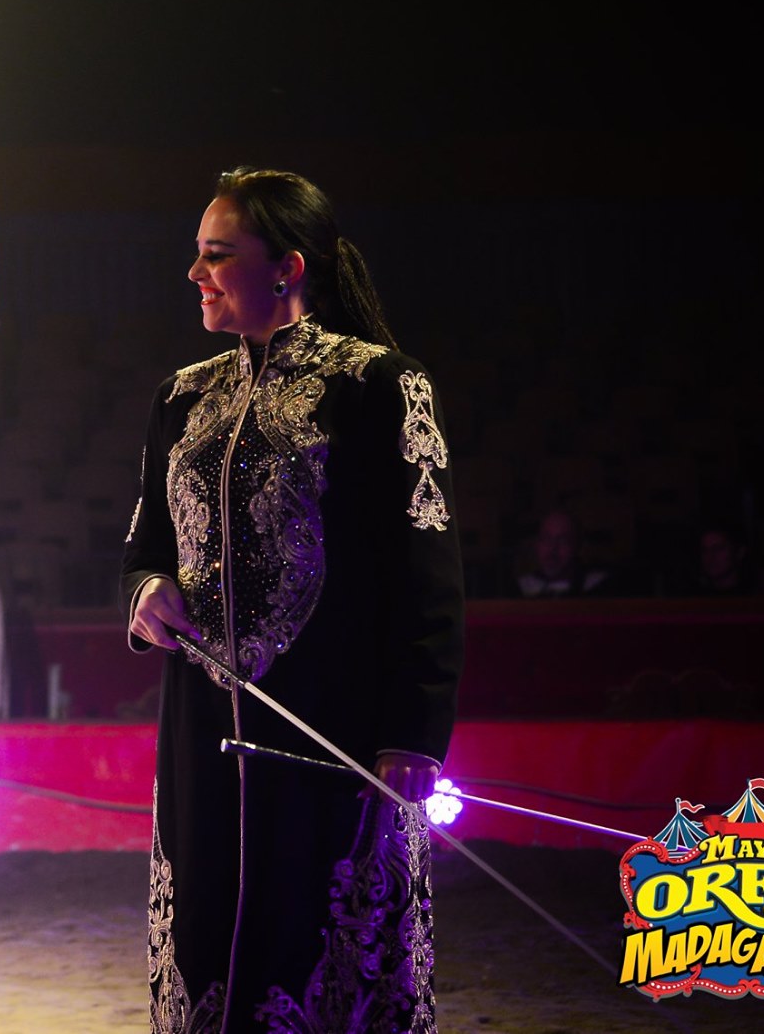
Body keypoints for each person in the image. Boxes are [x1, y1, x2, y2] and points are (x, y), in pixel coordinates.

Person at [122, 168, 464, 1033]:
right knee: (206, 932)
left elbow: (427, 571)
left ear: (288, 266)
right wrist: (148, 590)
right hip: (201, 732)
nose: (195, 274)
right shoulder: (181, 395)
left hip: (333, 730)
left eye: (216, 255)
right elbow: (145, 548)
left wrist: (413, 732)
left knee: (321, 939)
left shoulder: (381, 384)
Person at [514, 508, 610, 597]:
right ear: (537, 544)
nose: (552, 548)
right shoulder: (521, 589)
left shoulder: (600, 587)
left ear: (578, 546)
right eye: (547, 539)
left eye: (563, 540)